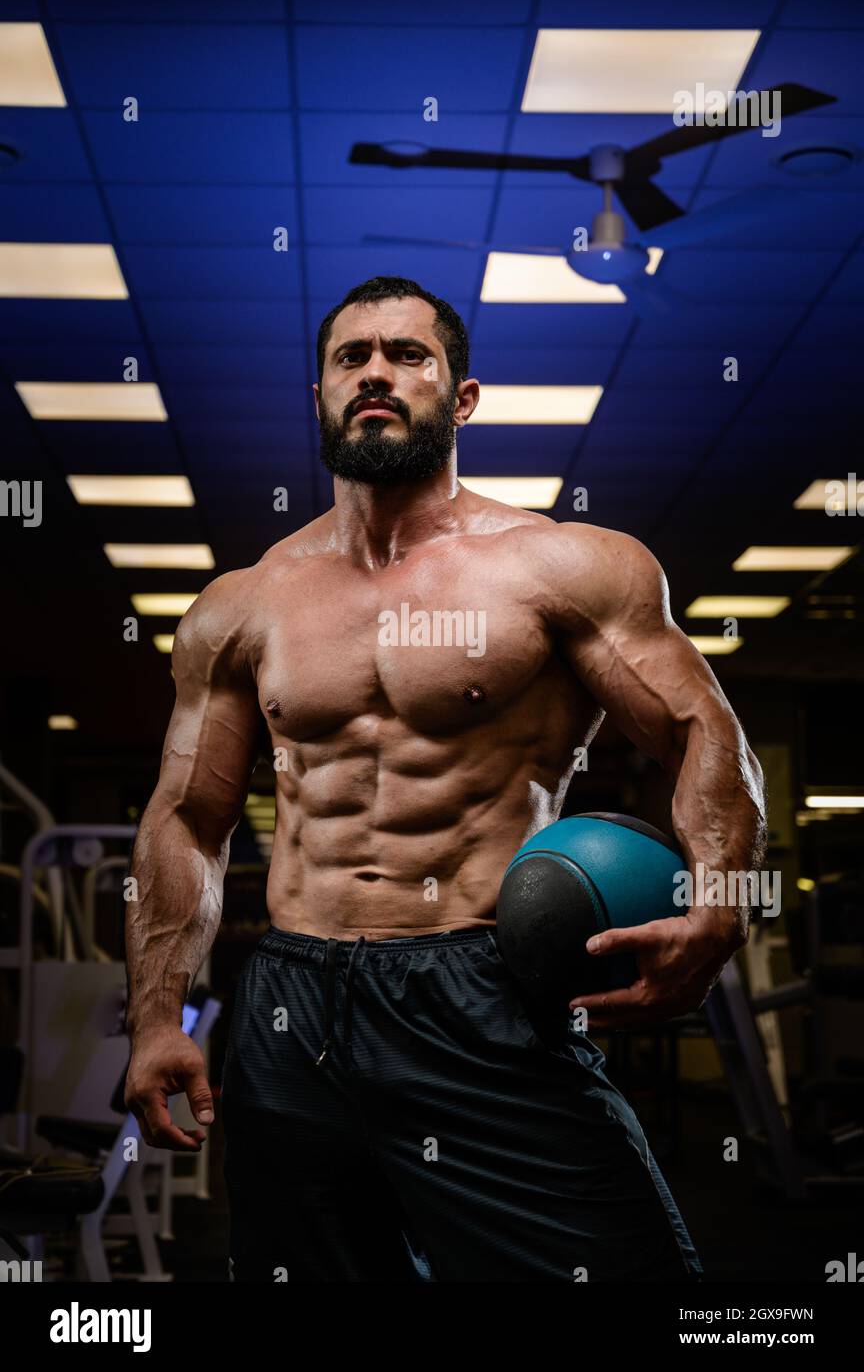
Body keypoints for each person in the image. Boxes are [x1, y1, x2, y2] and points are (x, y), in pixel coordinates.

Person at [124, 275, 765, 1282]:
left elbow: (702, 730)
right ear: (321, 395)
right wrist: (158, 1015)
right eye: (352, 357)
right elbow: (187, 817)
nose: (376, 373)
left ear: (461, 397)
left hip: (477, 989)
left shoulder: (559, 567)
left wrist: (722, 903)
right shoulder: (241, 605)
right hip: (292, 1003)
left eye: (408, 355)